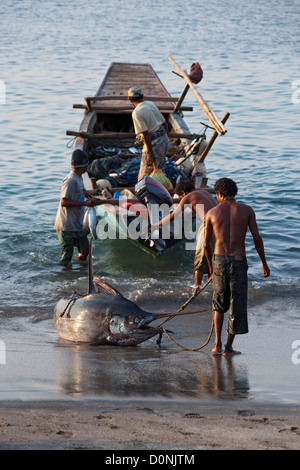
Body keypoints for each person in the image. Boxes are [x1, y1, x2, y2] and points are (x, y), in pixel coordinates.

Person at [204, 177, 270, 356]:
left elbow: (205, 246)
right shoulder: (247, 210)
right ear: (234, 192)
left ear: (218, 194)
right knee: (237, 304)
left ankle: (216, 345)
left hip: (219, 260)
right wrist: (264, 263)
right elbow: (257, 238)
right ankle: (228, 348)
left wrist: (211, 269)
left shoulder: (212, 213)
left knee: (218, 303)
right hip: (239, 261)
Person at [156, 180, 217, 286]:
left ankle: (197, 288)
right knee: (214, 255)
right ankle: (213, 282)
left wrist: (156, 225)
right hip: (221, 224)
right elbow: (192, 211)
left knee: (200, 257)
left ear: (183, 193)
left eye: (180, 197)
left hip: (208, 224)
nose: (181, 200)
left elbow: (173, 216)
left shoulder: (187, 197)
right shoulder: (204, 193)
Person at [54, 149, 101, 266]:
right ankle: (63, 278)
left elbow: (81, 190)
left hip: (76, 225)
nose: (87, 167)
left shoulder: (78, 177)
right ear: (83, 165)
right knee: (66, 257)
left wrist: (90, 197)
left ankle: (79, 273)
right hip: (66, 226)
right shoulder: (70, 180)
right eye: (86, 165)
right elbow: (64, 202)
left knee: (85, 250)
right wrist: (85, 204)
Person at [128, 86, 170, 181]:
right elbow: (164, 122)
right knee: (159, 171)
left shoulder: (136, 113)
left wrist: (150, 154)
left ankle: (142, 193)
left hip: (154, 144)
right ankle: (160, 190)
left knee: (144, 175)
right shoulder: (150, 104)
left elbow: (146, 134)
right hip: (163, 140)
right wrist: (168, 136)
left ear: (130, 100)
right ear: (142, 96)